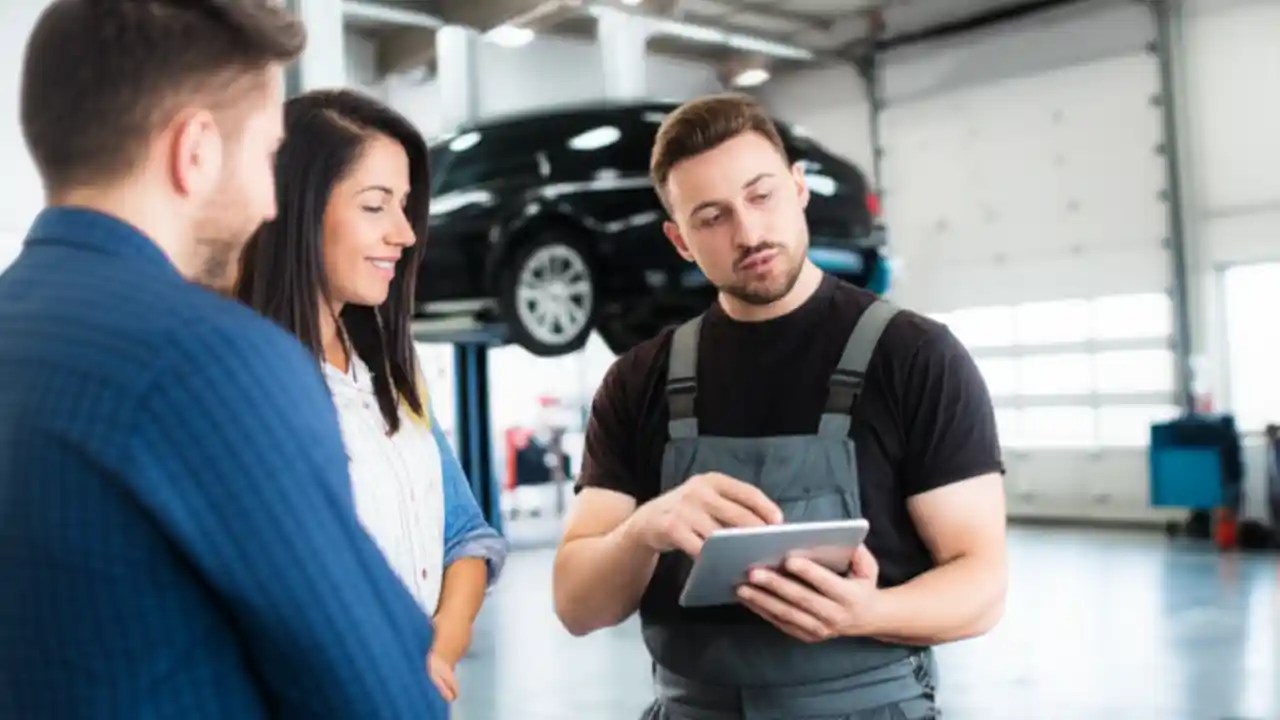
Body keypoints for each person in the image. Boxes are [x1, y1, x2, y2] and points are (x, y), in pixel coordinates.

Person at [0, 2, 447, 718]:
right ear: (196, 150)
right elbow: (384, 697)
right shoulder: (214, 361)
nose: (273, 204)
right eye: (265, 156)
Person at [552, 92, 1008, 719]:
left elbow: (981, 584)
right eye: (711, 217)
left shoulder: (915, 357)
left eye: (761, 195)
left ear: (799, 188)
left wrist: (868, 612)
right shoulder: (638, 381)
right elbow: (578, 605)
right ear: (679, 239)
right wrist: (645, 528)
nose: (748, 232)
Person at [234, 88, 507, 704]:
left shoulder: (391, 375)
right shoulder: (243, 383)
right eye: (375, 206)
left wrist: (442, 643)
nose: (405, 234)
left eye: (405, 207)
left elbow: (465, 534)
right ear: (299, 210)